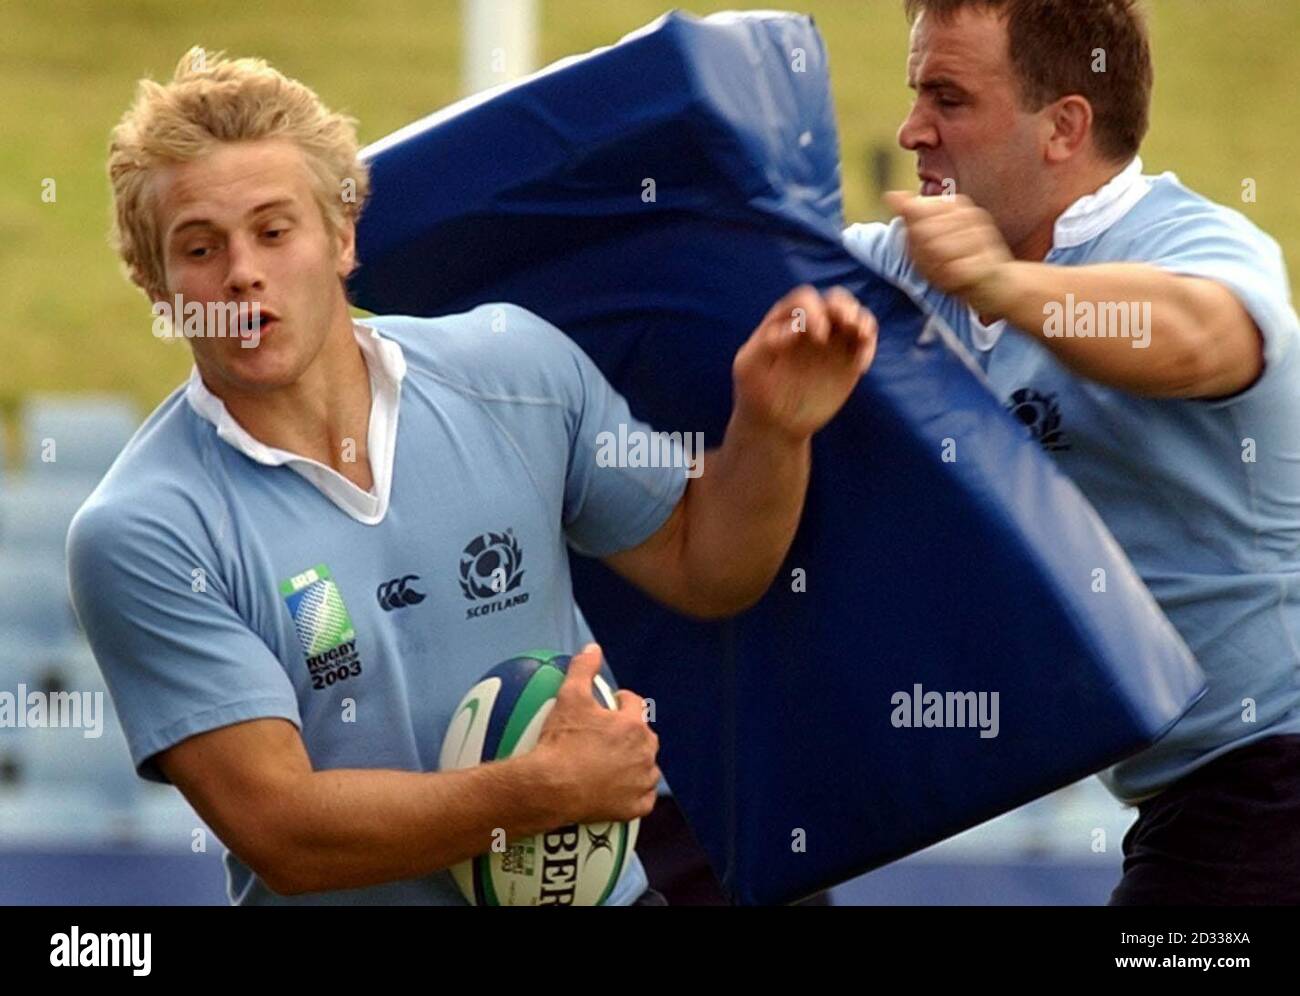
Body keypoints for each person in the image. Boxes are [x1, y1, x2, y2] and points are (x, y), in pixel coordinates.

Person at [67, 47, 878, 905]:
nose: (241, 272)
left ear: (342, 236)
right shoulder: (145, 529)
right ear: (157, 287)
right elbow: (288, 832)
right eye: (199, 248)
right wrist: (545, 793)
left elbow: (706, 564)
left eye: (274, 230)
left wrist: (772, 428)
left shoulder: (513, 370)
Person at [843, 0, 1300, 904]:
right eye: (915, 92)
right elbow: (745, 281)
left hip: (1269, 786)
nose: (910, 129)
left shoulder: (1189, 242)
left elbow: (1206, 334)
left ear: (1063, 127)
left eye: (949, 97)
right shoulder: (913, 269)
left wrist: (1004, 286)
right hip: (1186, 804)